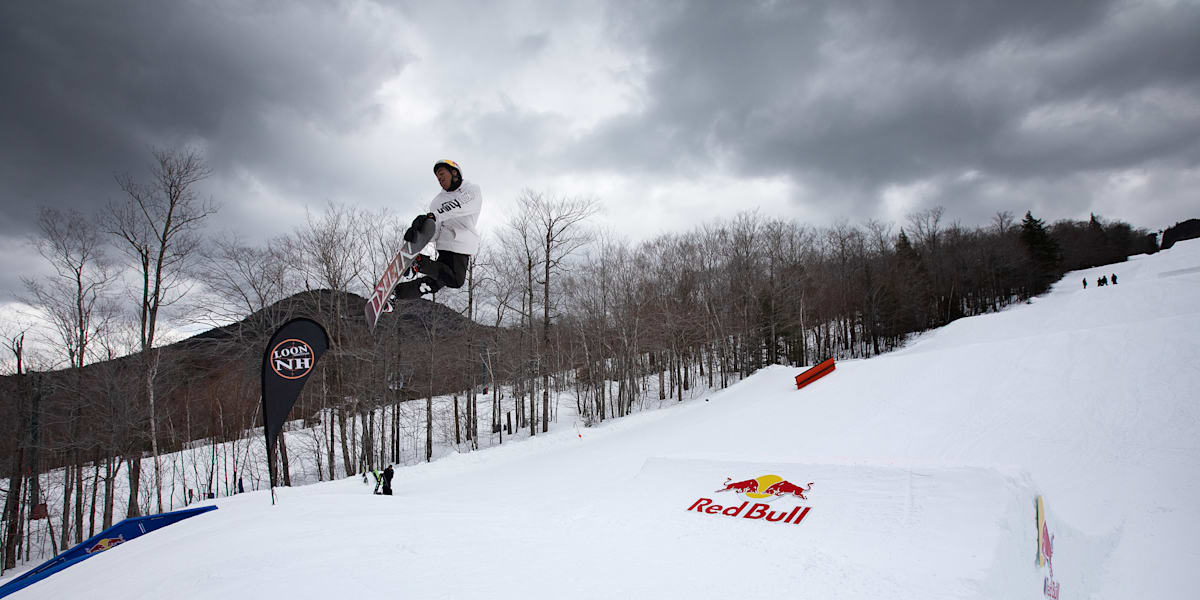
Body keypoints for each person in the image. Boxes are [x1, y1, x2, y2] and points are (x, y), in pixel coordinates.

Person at [393, 159, 482, 300]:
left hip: (461, 242)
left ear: (454, 172)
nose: (440, 179)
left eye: (442, 174)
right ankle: (418, 263)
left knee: (433, 283)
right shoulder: (437, 201)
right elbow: (435, 229)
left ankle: (396, 293)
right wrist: (421, 231)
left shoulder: (471, 190)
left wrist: (433, 215)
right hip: (454, 246)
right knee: (456, 281)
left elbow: (460, 206)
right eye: (437, 178)